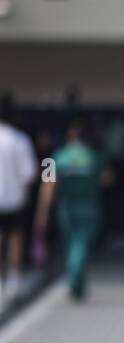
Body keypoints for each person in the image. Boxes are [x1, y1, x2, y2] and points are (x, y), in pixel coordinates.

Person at [33, 116, 110, 300]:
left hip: (66, 207)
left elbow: (47, 184)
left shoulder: (57, 156)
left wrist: (43, 210)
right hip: (89, 206)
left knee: (71, 244)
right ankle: (76, 280)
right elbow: (107, 179)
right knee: (81, 244)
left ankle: (76, 281)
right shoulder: (96, 156)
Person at [0, 93, 38, 301]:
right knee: (15, 238)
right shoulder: (19, 139)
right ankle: (14, 280)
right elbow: (29, 174)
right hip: (14, 198)